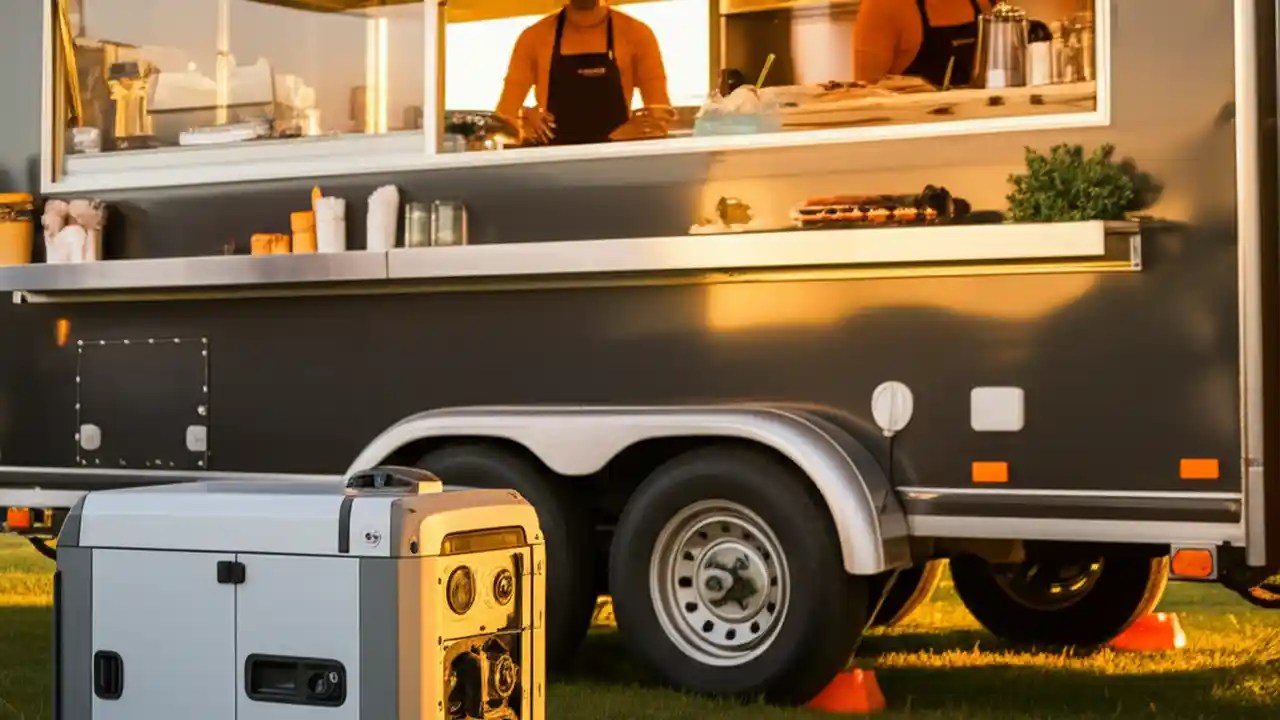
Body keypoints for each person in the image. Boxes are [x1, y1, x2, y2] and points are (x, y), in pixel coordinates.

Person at [496, 0, 671, 146]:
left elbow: (660, 116)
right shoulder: (534, 37)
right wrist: (524, 119)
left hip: (618, 158)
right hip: (555, 164)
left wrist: (639, 129)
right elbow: (503, 120)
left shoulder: (636, 34)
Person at [854, 0, 992, 87]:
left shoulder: (986, 5)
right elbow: (864, 98)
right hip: (910, 127)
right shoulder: (883, 6)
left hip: (976, 126)